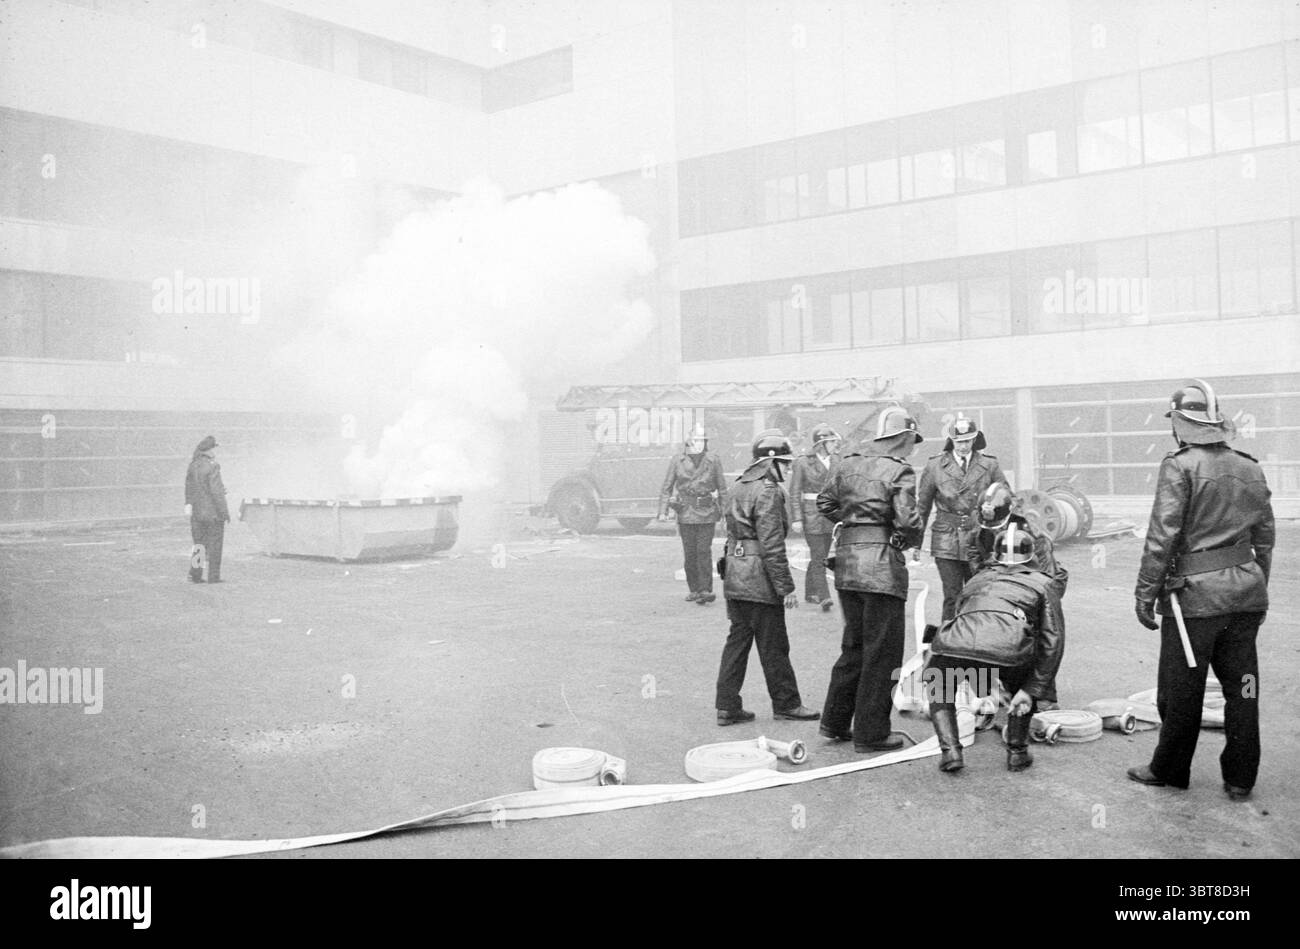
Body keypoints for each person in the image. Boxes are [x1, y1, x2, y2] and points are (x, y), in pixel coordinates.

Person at [1128, 379, 1273, 801]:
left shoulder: (1180, 465)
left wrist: (1144, 594)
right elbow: (1264, 539)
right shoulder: (1251, 467)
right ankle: (1241, 777)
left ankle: (1170, 770)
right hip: (1245, 598)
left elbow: (1162, 536)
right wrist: (1256, 586)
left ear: (1179, 423)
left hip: (1194, 602)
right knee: (1244, 687)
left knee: (1182, 690)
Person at [815, 406, 924, 752]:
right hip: (881, 569)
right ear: (903, 438)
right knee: (883, 653)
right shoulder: (900, 471)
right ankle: (871, 733)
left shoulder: (848, 463)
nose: (913, 449)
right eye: (912, 442)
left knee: (854, 646)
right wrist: (898, 540)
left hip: (847, 565)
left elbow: (824, 502)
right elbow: (908, 523)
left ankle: (833, 722)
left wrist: (852, 523)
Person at [924, 523, 1066, 774]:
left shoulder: (977, 579)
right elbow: (1051, 641)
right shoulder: (1044, 583)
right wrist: (1031, 690)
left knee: (939, 684)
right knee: (1023, 671)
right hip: (1008, 650)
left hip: (954, 645)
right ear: (1031, 556)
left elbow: (962, 615)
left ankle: (950, 751)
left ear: (995, 555)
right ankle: (1017, 753)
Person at [714, 431, 820, 726]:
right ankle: (787, 704)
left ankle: (727, 706)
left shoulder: (738, 486)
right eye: (784, 464)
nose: (787, 469)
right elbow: (772, 545)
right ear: (771, 462)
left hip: (736, 575)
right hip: (759, 578)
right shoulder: (769, 491)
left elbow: (730, 537)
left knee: (737, 643)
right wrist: (786, 587)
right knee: (774, 645)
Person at [971, 482, 1069, 710]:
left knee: (1039, 632)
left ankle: (1043, 693)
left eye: (998, 526)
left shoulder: (1035, 535)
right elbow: (974, 551)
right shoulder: (983, 529)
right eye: (989, 526)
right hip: (1002, 579)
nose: (994, 530)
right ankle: (999, 686)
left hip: (1039, 581)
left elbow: (1047, 581)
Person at [918, 417, 1008, 622]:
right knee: (952, 595)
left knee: (977, 594)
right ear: (951, 441)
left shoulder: (989, 464)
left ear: (975, 440)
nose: (963, 446)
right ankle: (948, 642)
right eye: (959, 442)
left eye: (968, 441)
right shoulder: (935, 466)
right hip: (946, 539)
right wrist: (916, 542)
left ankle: (975, 642)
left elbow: (1006, 495)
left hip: (979, 537)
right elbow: (922, 506)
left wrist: (993, 507)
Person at [658, 423, 728, 605]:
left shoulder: (713, 460)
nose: (699, 444)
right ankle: (694, 589)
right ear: (688, 442)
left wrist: (726, 513)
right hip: (686, 512)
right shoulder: (677, 460)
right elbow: (667, 487)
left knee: (703, 550)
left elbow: (722, 488)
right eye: (696, 440)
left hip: (707, 512)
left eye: (702, 441)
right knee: (690, 553)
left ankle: (706, 589)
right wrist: (662, 511)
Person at [789, 423, 841, 611]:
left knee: (821, 555)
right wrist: (796, 518)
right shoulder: (803, 462)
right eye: (832, 442)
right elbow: (794, 492)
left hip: (831, 515)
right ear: (822, 444)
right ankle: (824, 596)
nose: (836, 445)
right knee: (819, 556)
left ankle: (810, 591)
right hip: (811, 514)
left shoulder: (837, 461)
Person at [185, 434, 229, 584]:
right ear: (209, 450)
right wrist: (224, 512)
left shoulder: (193, 465)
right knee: (215, 545)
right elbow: (216, 492)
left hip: (197, 514)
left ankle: (195, 575)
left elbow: (189, 488)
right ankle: (213, 576)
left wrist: (189, 505)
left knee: (199, 545)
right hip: (212, 514)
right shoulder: (213, 465)